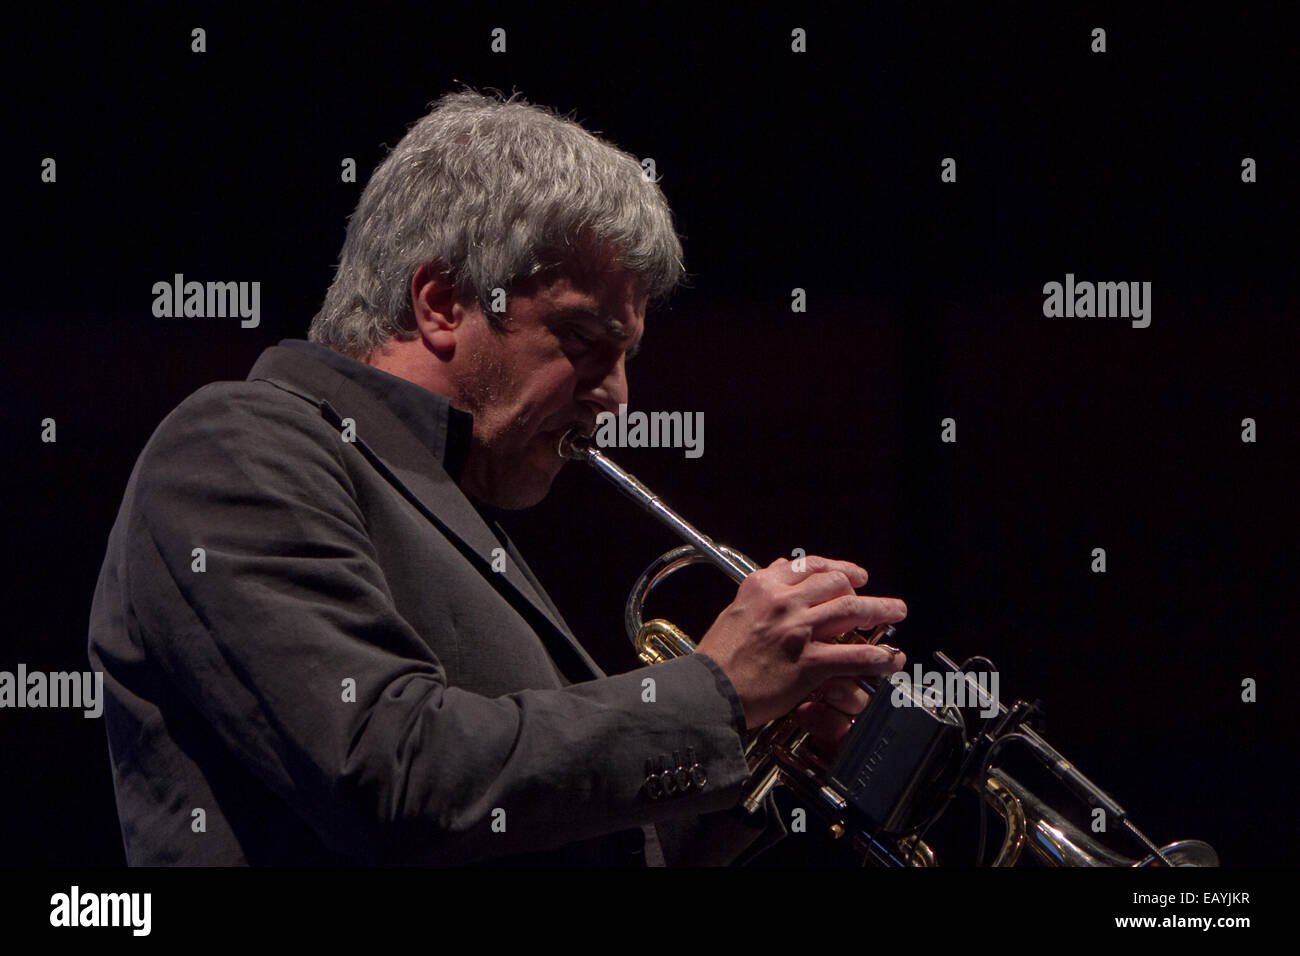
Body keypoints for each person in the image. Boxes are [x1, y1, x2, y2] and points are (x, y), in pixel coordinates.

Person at [87, 90, 907, 866]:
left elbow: (577, 843)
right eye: (586, 341)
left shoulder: (449, 505)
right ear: (444, 303)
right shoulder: (237, 444)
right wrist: (717, 692)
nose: (619, 396)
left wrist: (765, 743)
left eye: (626, 357)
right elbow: (391, 774)